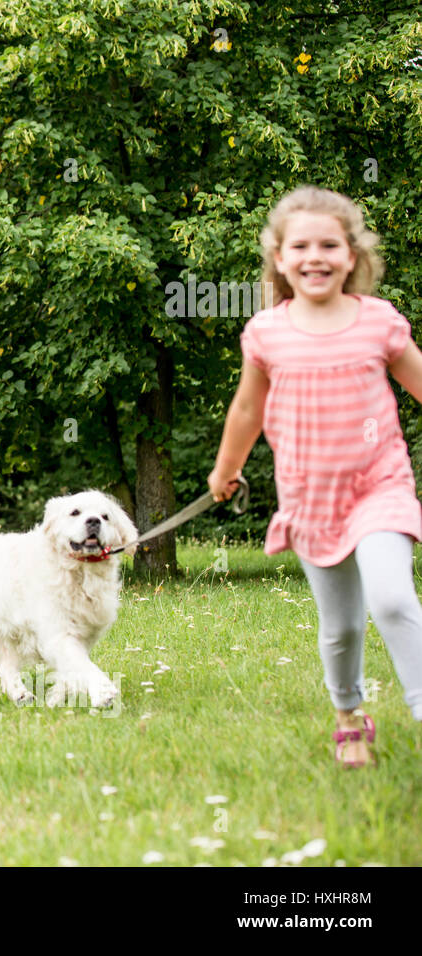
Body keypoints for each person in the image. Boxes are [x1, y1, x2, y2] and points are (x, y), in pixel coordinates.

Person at [209, 185, 422, 768]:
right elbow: (248, 411)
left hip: (381, 488)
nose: (315, 256)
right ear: (279, 258)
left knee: (393, 599)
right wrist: (225, 472)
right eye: (300, 245)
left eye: (330, 244)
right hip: (310, 501)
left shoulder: (378, 322)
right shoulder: (266, 333)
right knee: (342, 630)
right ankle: (348, 714)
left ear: (351, 256)